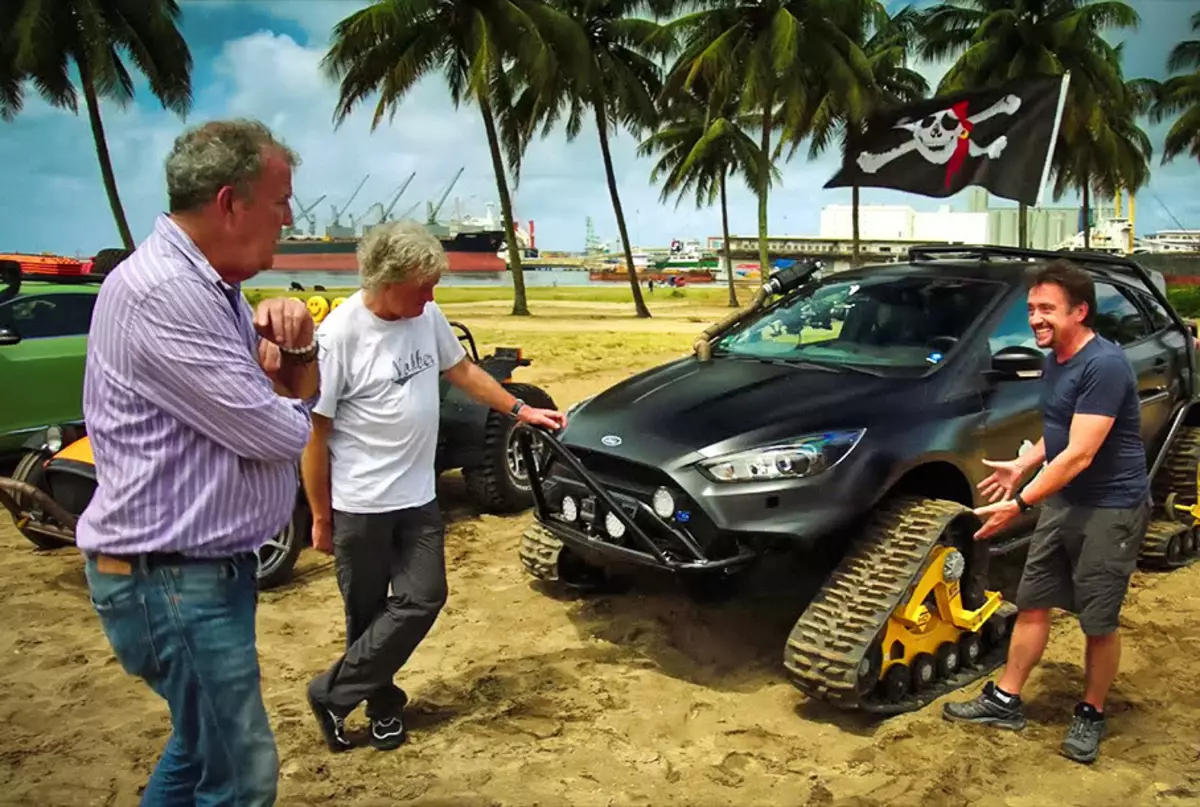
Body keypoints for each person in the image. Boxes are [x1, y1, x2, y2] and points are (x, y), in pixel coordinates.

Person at [76, 118, 319, 805]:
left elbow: (291, 395)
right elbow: (278, 429)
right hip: (173, 582)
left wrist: (294, 354)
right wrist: (286, 385)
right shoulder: (167, 293)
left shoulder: (213, 287)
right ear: (229, 203)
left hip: (187, 575)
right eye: (281, 201)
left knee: (196, 751)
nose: (291, 218)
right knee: (241, 776)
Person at [301, 219, 567, 753]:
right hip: (361, 506)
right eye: (422, 286)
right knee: (367, 616)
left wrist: (520, 409)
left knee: (423, 598)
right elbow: (315, 435)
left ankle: (329, 693)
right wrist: (321, 515)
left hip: (419, 498)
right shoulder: (337, 338)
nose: (431, 295)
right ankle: (382, 710)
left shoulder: (427, 316)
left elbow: (463, 371)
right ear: (385, 279)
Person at [943, 259, 1151, 765]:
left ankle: (1092, 711)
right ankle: (1006, 699)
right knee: (1034, 601)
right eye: (1032, 308)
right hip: (1066, 500)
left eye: (1047, 309)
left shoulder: (1104, 364)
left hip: (1110, 508)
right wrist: (1024, 461)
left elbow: (1080, 453)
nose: (1035, 317)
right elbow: (1060, 430)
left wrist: (1019, 502)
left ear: (1080, 311)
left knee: (1097, 620)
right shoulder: (1057, 356)